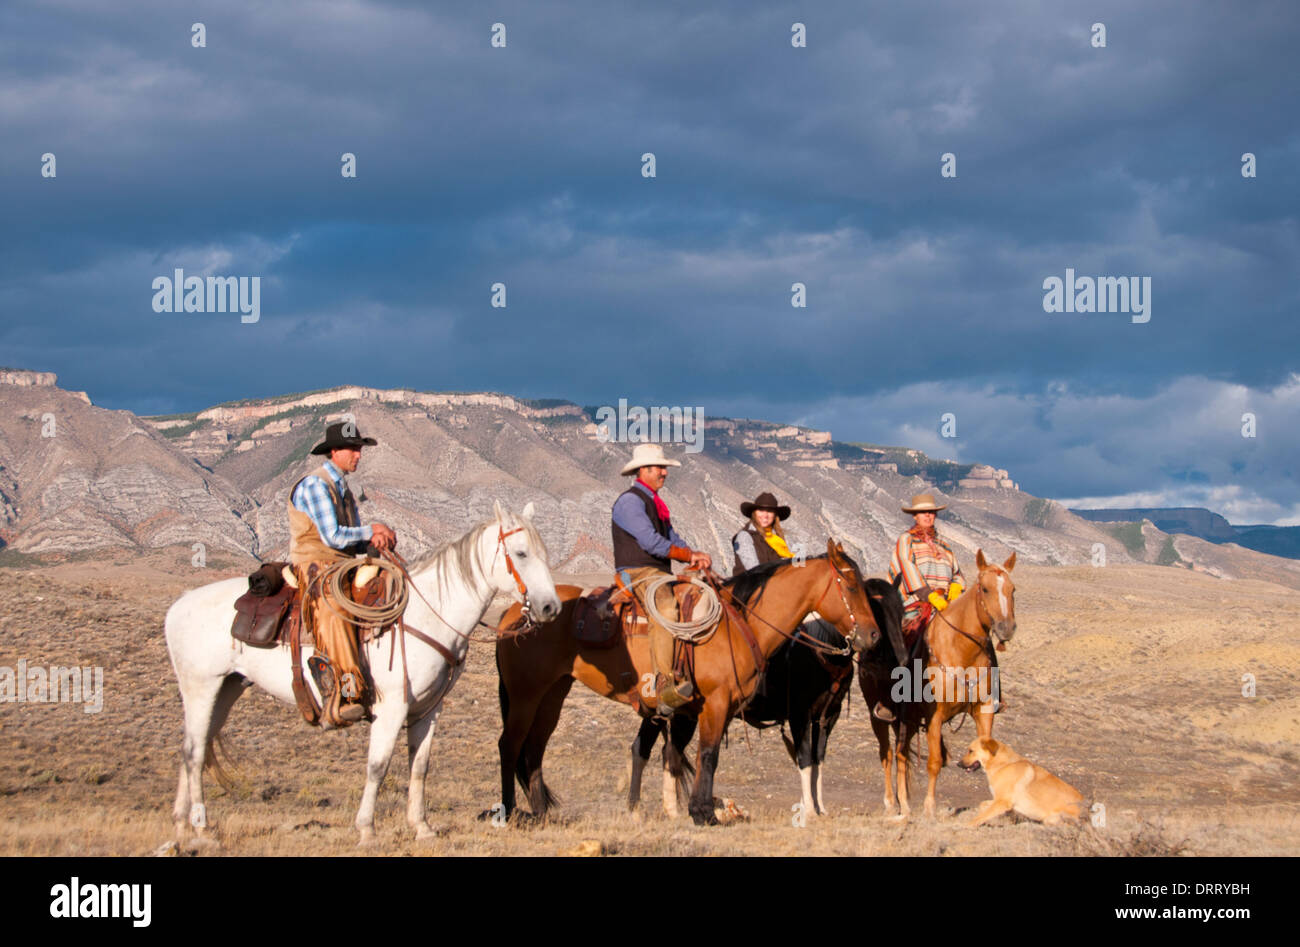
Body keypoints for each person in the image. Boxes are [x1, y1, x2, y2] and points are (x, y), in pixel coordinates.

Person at [287, 420, 397, 728]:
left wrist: (374, 539)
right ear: (333, 451)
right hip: (316, 562)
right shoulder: (316, 484)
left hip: (340, 562)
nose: (358, 455)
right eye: (352, 449)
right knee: (335, 605)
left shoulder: (344, 491)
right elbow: (333, 537)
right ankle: (347, 690)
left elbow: (350, 538)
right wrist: (372, 528)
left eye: (359, 449)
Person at [611, 443, 711, 714]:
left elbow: (671, 538)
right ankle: (664, 684)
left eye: (665, 468)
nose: (665, 473)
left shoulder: (657, 504)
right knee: (665, 607)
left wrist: (693, 554)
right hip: (638, 571)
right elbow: (651, 542)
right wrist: (686, 555)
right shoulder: (630, 501)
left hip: (658, 571)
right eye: (660, 468)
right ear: (643, 470)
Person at [873, 493, 965, 723]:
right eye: (923, 512)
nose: (928, 516)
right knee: (908, 642)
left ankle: (990, 694)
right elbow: (907, 568)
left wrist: (956, 587)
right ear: (914, 515)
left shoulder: (945, 546)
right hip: (916, 604)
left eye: (931, 512)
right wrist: (929, 595)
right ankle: (893, 698)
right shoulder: (906, 540)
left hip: (947, 606)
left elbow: (959, 573)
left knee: (978, 637)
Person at [732, 492, 793, 575]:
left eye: (770, 511)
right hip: (750, 586)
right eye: (761, 510)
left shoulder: (777, 540)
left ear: (775, 515)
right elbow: (754, 570)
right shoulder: (745, 536)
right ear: (754, 513)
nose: (765, 515)